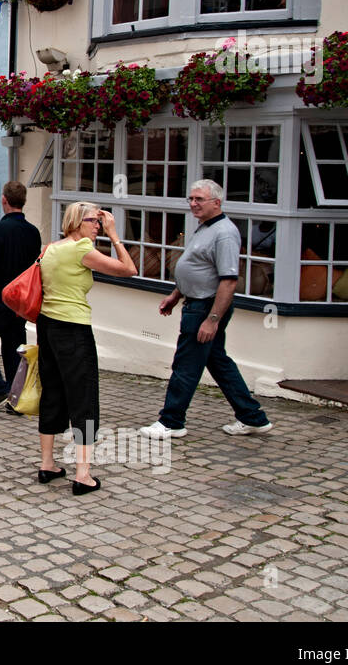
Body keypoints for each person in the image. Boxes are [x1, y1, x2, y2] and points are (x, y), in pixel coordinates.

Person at [141, 180, 274, 439]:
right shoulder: (206, 227)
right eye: (190, 198)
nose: (193, 203)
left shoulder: (224, 233)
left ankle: (171, 422)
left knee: (186, 365)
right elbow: (198, 268)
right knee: (219, 363)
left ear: (216, 202)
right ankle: (253, 417)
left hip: (205, 308)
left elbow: (228, 280)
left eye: (199, 199)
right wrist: (176, 295)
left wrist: (212, 319)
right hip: (195, 302)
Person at [36, 202, 137, 496]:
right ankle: (83, 474)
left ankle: (47, 464)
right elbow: (129, 269)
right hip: (73, 329)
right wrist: (115, 236)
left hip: (48, 325)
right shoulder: (80, 250)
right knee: (83, 397)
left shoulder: (51, 248)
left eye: (100, 221)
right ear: (78, 222)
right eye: (94, 220)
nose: (98, 225)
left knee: (52, 392)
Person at [0, 182, 41, 412]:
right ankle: (16, 401)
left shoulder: (0, 230)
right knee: (13, 347)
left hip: (2, 298)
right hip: (21, 301)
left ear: (4, 200)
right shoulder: (33, 232)